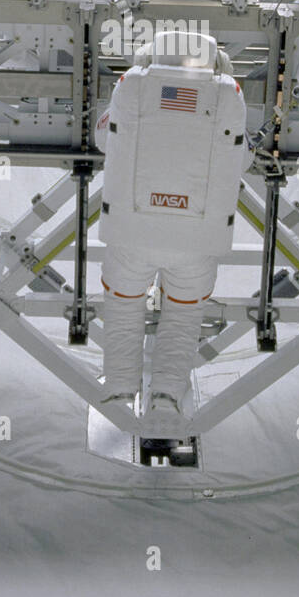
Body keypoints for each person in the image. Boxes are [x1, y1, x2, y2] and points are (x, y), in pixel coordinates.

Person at [94, 29, 249, 435]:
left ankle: (120, 390)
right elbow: (243, 157)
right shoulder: (230, 96)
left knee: (124, 313)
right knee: (182, 321)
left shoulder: (130, 88)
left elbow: (102, 137)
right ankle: (165, 397)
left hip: (131, 236)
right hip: (195, 245)